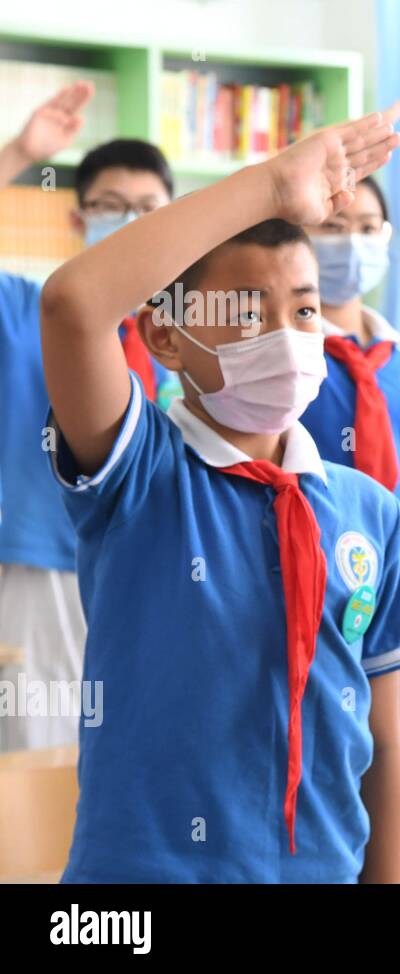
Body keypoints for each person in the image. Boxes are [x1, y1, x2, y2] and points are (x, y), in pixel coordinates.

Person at [41, 111, 400, 882]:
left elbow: (384, 740)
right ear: (166, 339)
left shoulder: (369, 512)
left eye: (305, 310)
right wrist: (269, 187)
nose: (286, 335)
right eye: (247, 312)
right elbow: (72, 306)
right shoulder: (143, 470)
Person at [0, 83, 178, 749]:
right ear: (76, 221)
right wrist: (21, 151)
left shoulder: (196, 329)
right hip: (46, 571)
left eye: (146, 209)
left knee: (143, 765)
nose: (128, 223)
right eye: (109, 207)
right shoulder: (28, 311)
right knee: (37, 769)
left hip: (166, 575)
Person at [301, 171, 400, 835]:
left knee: (393, 818)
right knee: (318, 821)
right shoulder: (286, 361)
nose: (351, 242)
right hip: (316, 621)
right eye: (332, 226)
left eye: (367, 227)